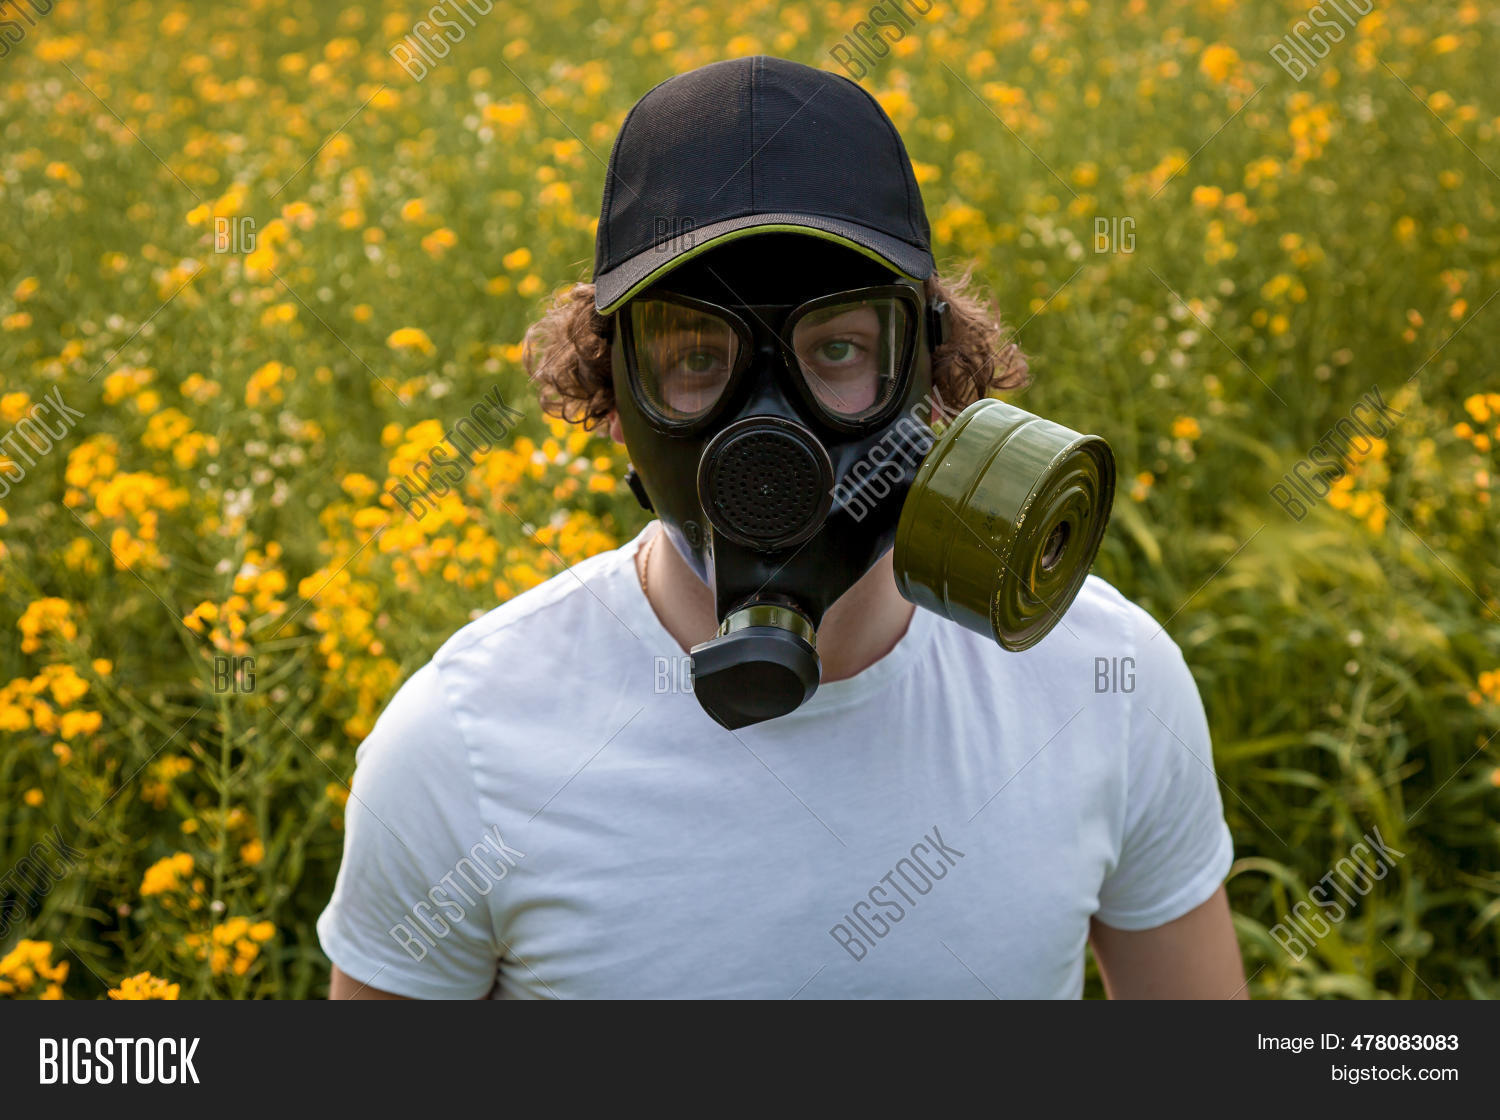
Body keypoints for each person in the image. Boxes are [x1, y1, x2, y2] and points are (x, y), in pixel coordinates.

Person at [319, 56, 1245, 999]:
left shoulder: (1105, 683)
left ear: (934, 368)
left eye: (838, 347)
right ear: (611, 396)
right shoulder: (463, 744)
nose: (770, 430)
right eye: (695, 355)